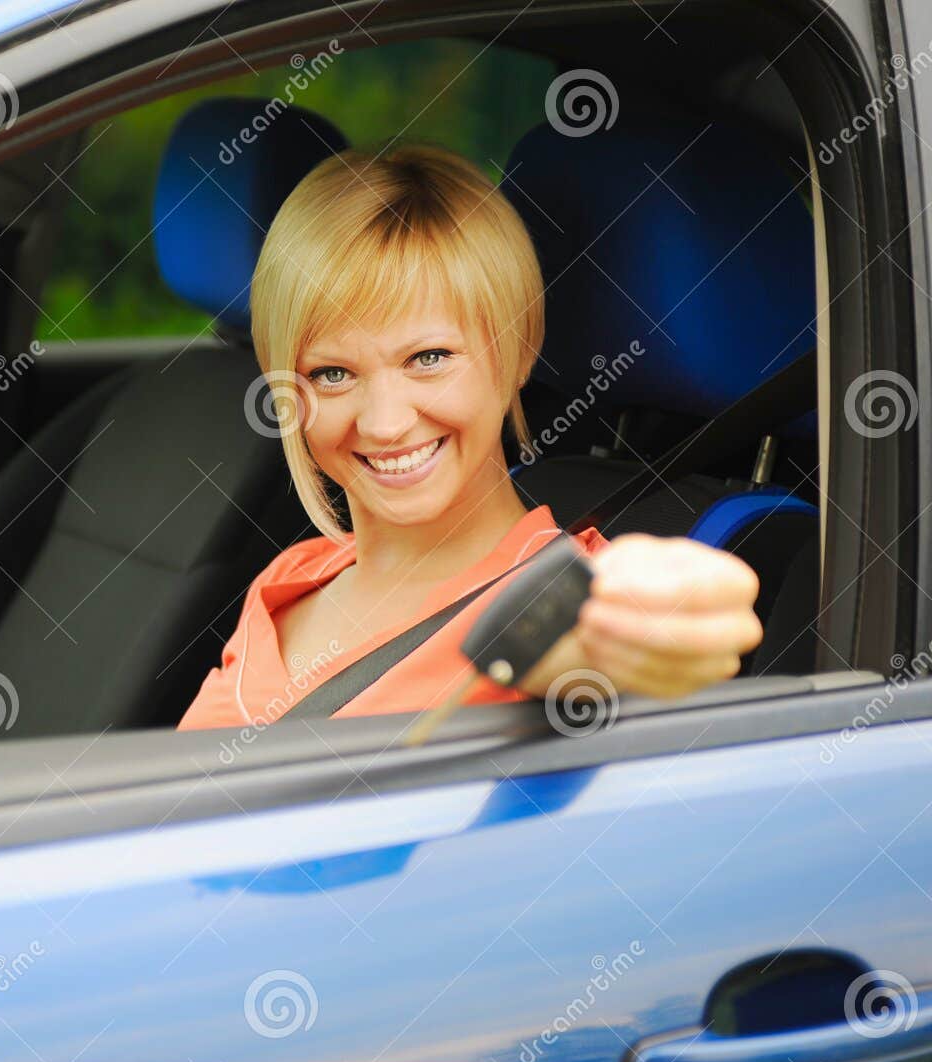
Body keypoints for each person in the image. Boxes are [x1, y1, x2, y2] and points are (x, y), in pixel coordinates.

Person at [177, 145, 762, 732]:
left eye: (429, 358)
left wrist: (683, 621)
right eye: (333, 374)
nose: (384, 423)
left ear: (519, 352)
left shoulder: (566, 604)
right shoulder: (289, 582)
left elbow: (627, 638)